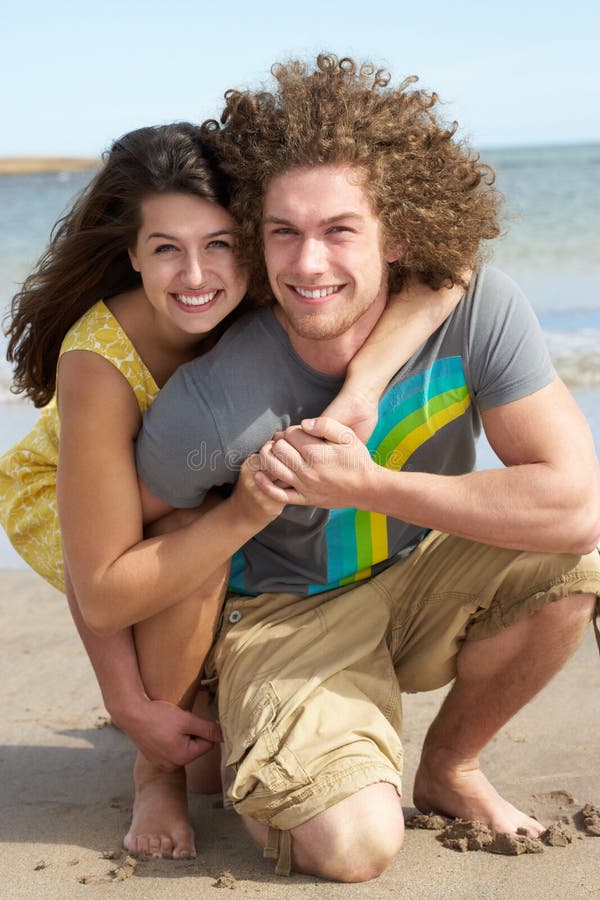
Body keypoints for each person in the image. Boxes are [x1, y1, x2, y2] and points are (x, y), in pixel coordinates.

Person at [135, 56, 600, 882]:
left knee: (577, 559)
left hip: (422, 571)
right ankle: (257, 728)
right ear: (254, 235)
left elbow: (574, 504)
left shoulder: (478, 308)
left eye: (340, 230)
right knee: (355, 848)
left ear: (400, 232)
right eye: (283, 232)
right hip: (286, 615)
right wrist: (152, 742)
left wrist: (369, 486)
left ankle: (450, 766)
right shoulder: (210, 405)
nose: (308, 264)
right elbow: (132, 556)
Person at [0, 122, 461, 859]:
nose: (195, 276)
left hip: (195, 474)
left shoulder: (260, 290)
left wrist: (362, 391)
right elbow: (103, 586)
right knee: (194, 529)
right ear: (132, 257)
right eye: (166, 250)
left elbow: (450, 273)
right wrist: (127, 703)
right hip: (74, 487)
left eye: (218, 244)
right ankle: (154, 774)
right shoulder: (98, 361)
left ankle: (198, 693)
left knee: (215, 756)